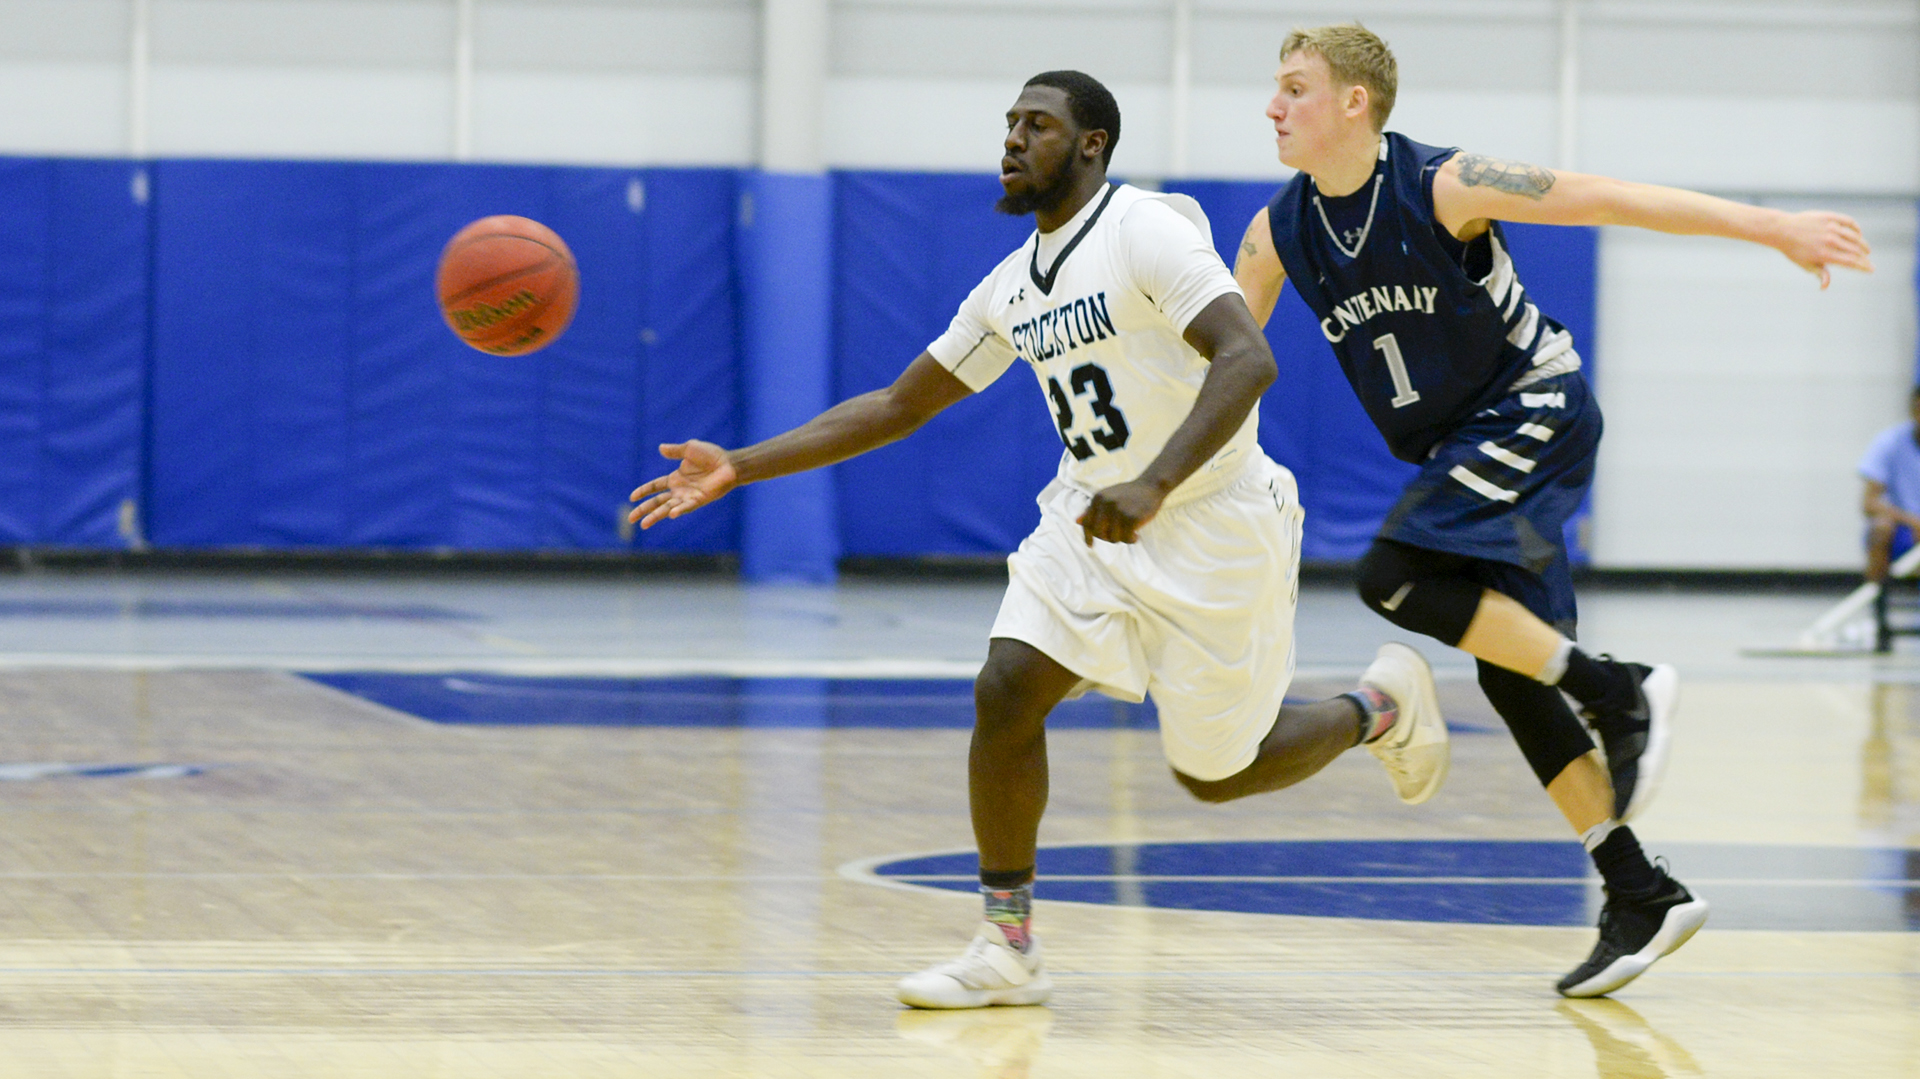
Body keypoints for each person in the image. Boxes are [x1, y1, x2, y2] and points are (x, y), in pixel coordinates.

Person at [629, 69, 1450, 1010]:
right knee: (1008, 686)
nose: (1015, 140)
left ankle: (1376, 708)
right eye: (1010, 124)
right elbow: (900, 404)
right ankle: (1007, 944)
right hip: (1091, 516)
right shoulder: (1013, 286)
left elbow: (1248, 356)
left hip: (1216, 519)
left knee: (1220, 772)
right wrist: (741, 463)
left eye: (1039, 125)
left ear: (1092, 143)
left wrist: (1157, 480)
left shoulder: (1146, 231)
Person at [1231, 24, 1874, 997]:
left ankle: (1619, 687)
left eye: (1294, 87)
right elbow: (1227, 361)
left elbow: (1613, 197)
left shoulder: (1447, 182)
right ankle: (1639, 891)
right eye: (1274, 88)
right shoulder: (1278, 231)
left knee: (1392, 573)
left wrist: (1774, 227)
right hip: (1464, 447)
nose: (1273, 105)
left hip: (1534, 406)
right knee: (1512, 673)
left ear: (1354, 103)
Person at [1859, 388, 1920, 585]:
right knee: (1881, 528)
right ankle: (1877, 602)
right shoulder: (1889, 443)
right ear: (1912, 411)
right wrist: (1912, 521)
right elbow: (1869, 503)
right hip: (1903, 528)